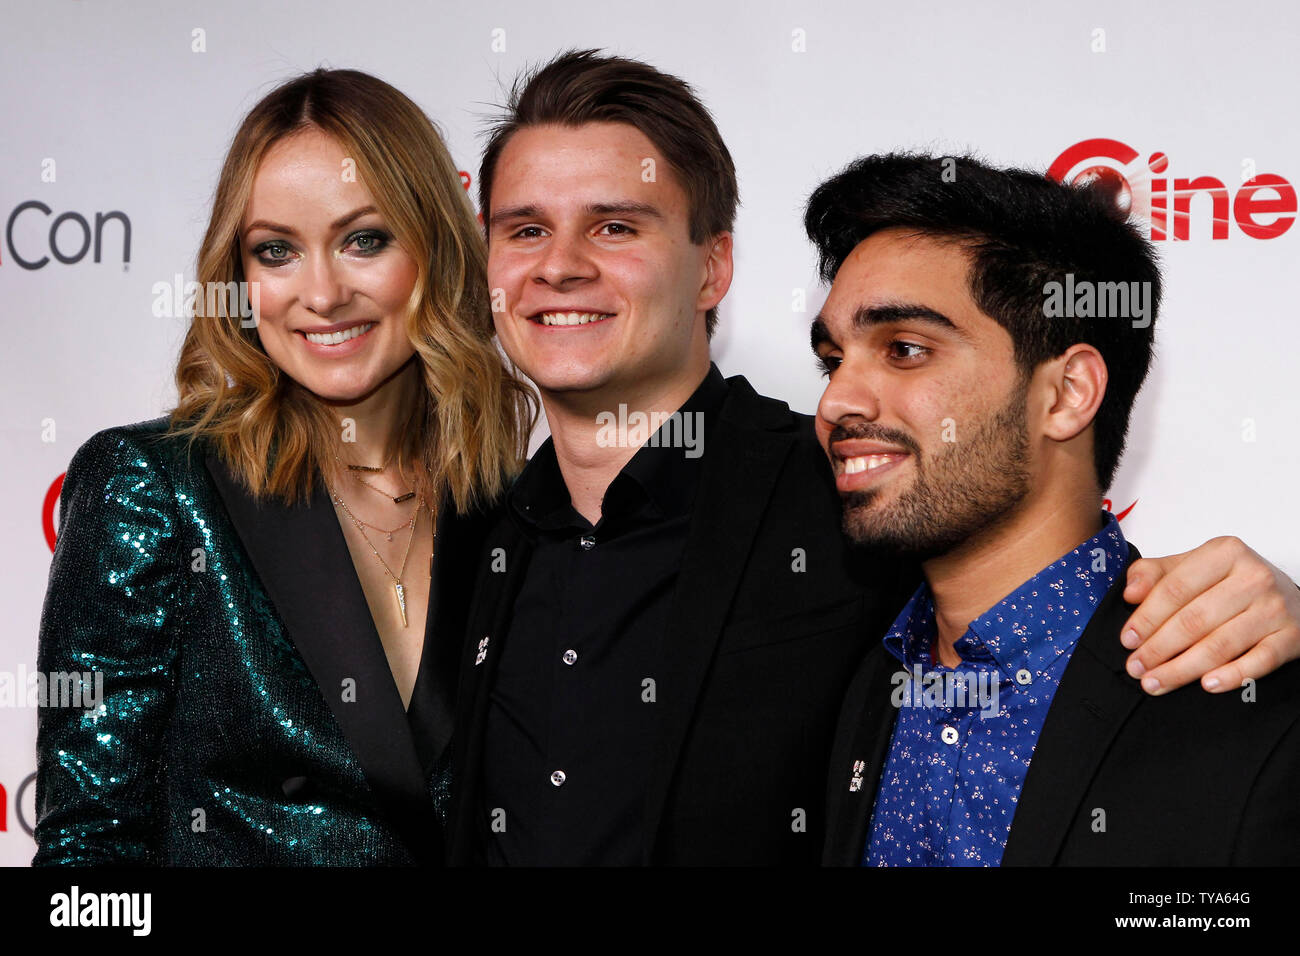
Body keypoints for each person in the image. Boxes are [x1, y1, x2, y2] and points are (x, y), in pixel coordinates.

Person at [440, 49, 1300, 865]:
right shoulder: (470, 528)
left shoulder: (843, 505)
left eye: (906, 350)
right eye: (524, 230)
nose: (841, 400)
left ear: (713, 268)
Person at [33, 68, 534, 865]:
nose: (324, 292)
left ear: (435, 248)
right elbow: (86, 859)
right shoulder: (153, 486)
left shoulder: (509, 504)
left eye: (364, 239)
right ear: (241, 279)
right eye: (277, 251)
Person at [812, 153, 1300, 866]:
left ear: (1068, 393)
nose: (834, 402)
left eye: (906, 349)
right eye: (834, 359)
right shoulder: (864, 675)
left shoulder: (1245, 706)